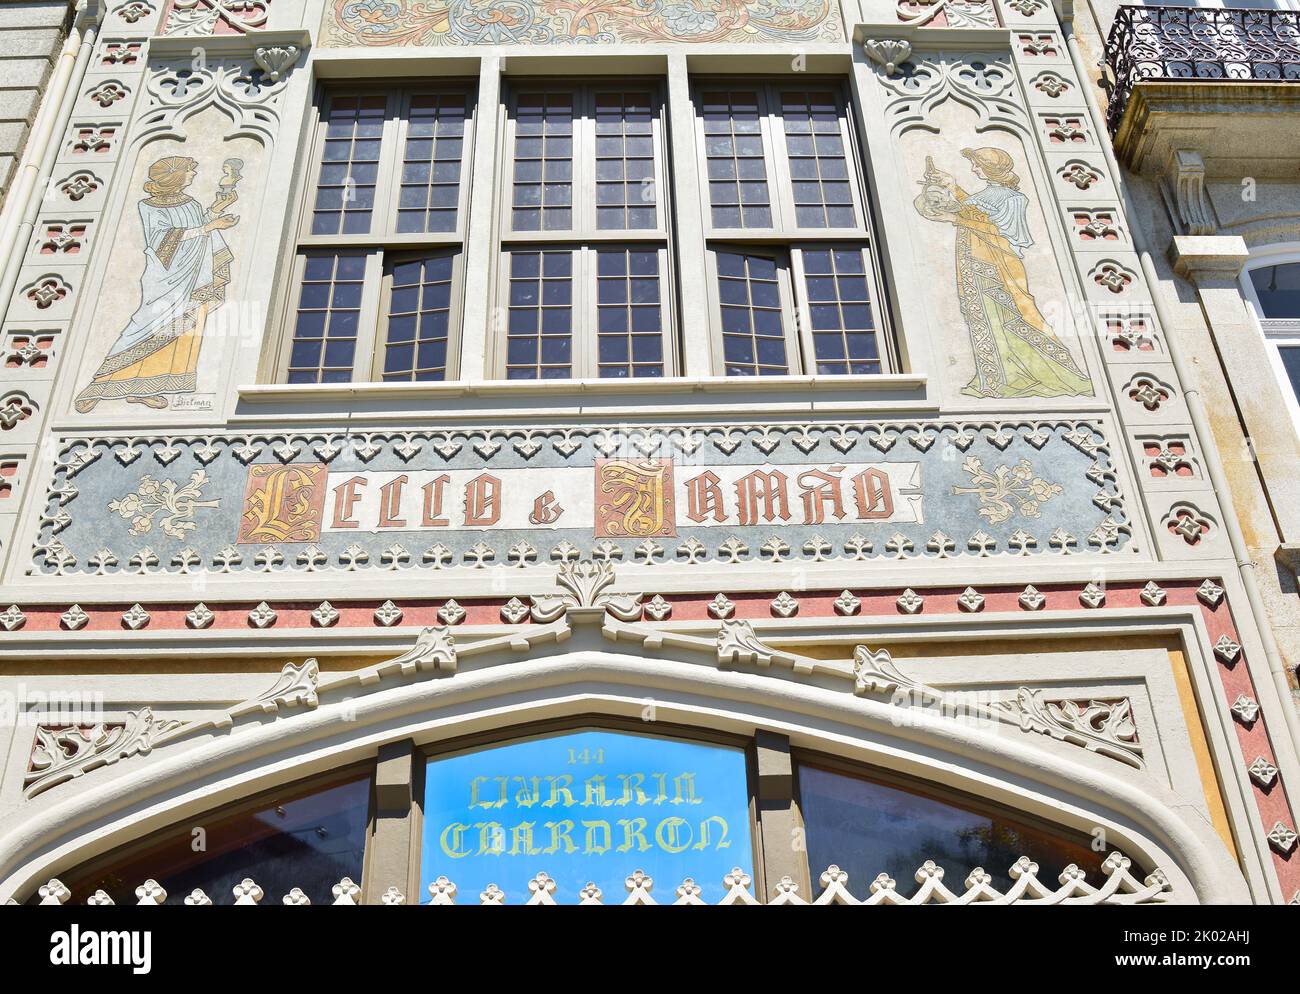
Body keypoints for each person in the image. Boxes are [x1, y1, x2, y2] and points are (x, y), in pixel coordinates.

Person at [914, 147, 1092, 399]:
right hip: (974, 267)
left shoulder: (1013, 199)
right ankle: (994, 379)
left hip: (998, 269)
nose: (974, 169)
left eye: (978, 165)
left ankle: (1054, 374)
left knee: (1013, 318)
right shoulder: (987, 194)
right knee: (984, 321)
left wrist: (954, 219)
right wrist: (951, 185)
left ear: (991, 168)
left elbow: (999, 233)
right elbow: (971, 210)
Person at [74, 155, 238, 413]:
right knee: (145, 326)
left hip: (194, 275)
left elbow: (197, 224)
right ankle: (99, 385)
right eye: (189, 172)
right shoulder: (149, 206)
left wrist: (216, 210)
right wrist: (210, 227)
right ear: (174, 176)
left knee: (185, 328)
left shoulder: (191, 202)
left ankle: (146, 389)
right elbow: (163, 241)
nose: (193, 175)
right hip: (166, 277)